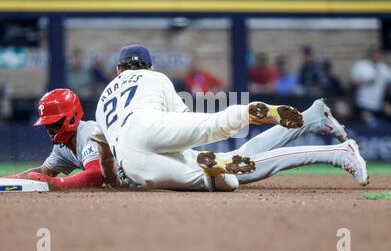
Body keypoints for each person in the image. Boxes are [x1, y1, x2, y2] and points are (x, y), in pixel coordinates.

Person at [91, 44, 368, 192]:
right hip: (152, 128)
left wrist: (112, 179)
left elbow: (104, 153)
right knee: (216, 126)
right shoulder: (156, 77)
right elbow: (184, 121)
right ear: (148, 66)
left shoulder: (103, 98)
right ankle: (301, 117)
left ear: (118, 69)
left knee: (222, 179)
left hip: (129, 155)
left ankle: (336, 151)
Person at [1, 89, 106, 190]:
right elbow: (43, 172)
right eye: (46, 124)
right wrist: (5, 181)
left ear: (73, 117)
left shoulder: (90, 132)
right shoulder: (62, 146)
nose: (49, 129)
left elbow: (96, 174)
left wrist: (56, 184)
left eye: (54, 122)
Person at [351, 47, 391, 124]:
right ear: (370, 54)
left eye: (378, 53)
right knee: (368, 124)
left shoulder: (385, 68)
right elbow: (352, 83)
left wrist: (387, 101)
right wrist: (365, 81)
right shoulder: (361, 66)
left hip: (379, 104)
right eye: (374, 53)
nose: (376, 56)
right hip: (363, 102)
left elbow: (389, 86)